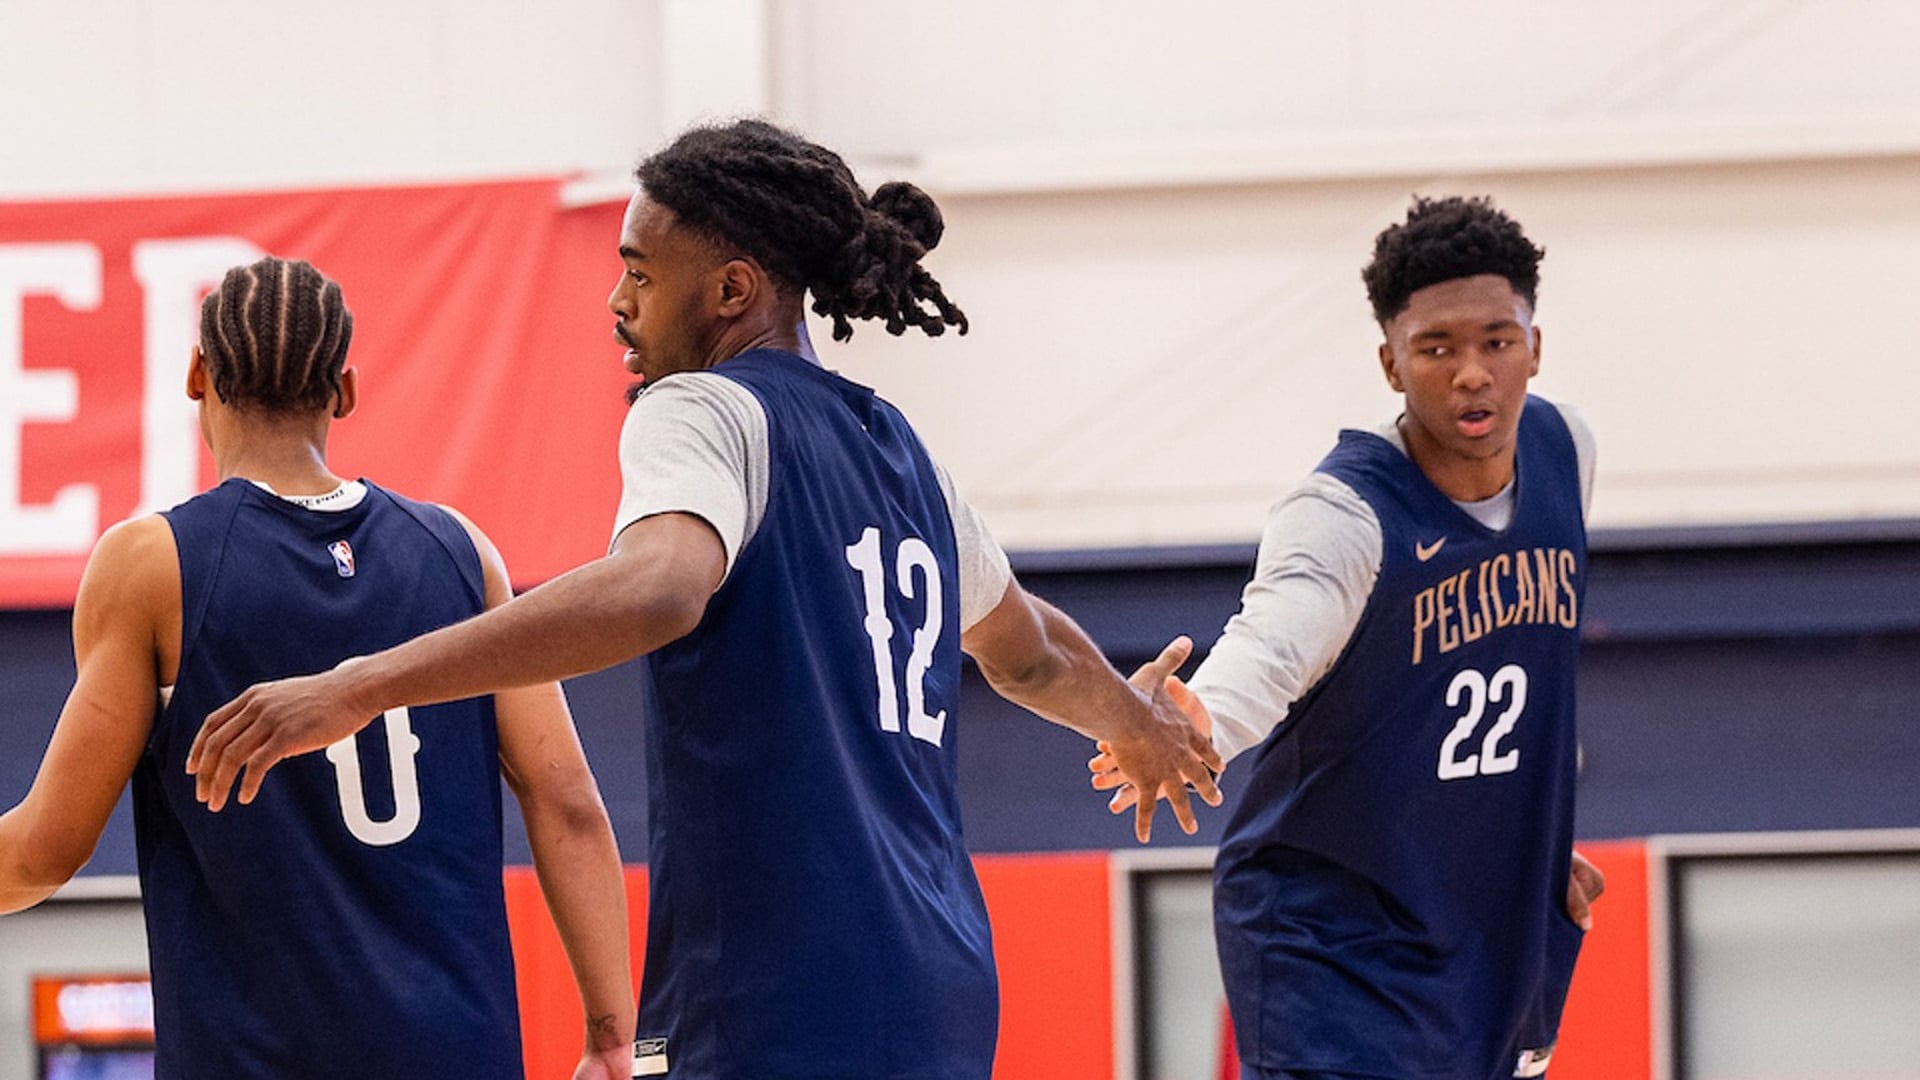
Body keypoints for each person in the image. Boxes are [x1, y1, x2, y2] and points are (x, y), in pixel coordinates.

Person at [186, 120, 1223, 1080]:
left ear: (731, 291)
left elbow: (658, 590)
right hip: (940, 985)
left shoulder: (701, 410)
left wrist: (366, 683)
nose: (617, 302)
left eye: (638, 272)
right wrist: (1137, 726)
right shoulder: (904, 457)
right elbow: (1028, 649)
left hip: (772, 989)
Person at [0, 257, 635, 1080]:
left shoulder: (154, 565)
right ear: (345, 389)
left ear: (197, 374)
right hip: (457, 1052)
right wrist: (616, 1037)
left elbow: (43, 854)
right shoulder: (459, 551)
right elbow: (570, 802)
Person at [1097, 195, 1605, 1079]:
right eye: (1436, 349)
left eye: (1496, 340)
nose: (1472, 374)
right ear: (1390, 363)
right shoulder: (1342, 513)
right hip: (1334, 932)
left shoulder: (1568, 451)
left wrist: (1532, 835)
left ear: (1536, 345)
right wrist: (1185, 722)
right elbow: (1267, 649)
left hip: (1485, 911)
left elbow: (1527, 673)